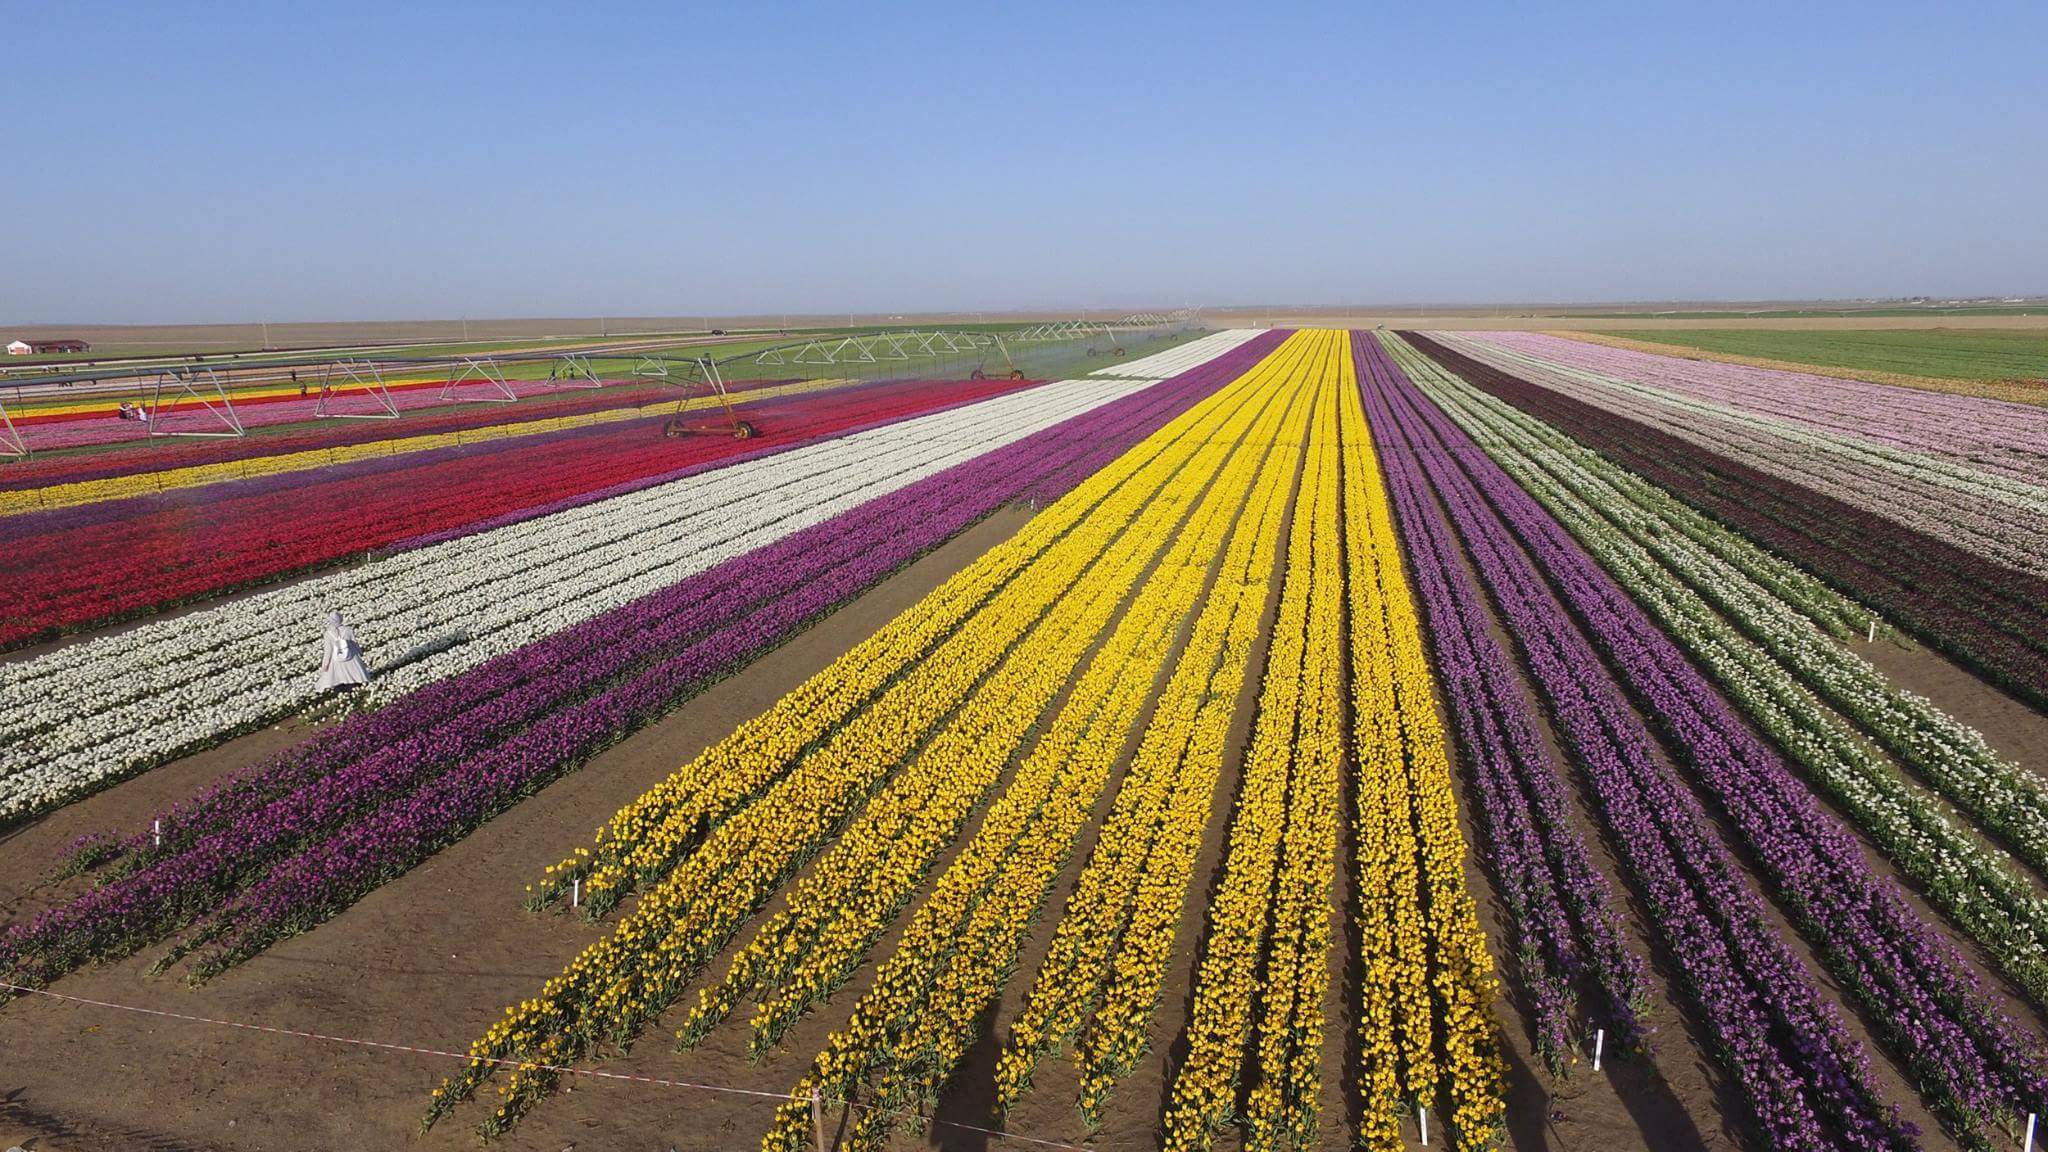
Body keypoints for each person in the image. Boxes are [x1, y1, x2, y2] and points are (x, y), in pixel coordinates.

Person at [317, 610, 371, 691]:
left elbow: (328, 651)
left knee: (338, 676)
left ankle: (342, 688)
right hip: (351, 656)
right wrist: (360, 653)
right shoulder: (348, 630)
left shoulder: (328, 634)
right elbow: (355, 643)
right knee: (356, 675)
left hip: (336, 659)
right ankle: (355, 685)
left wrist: (325, 664)